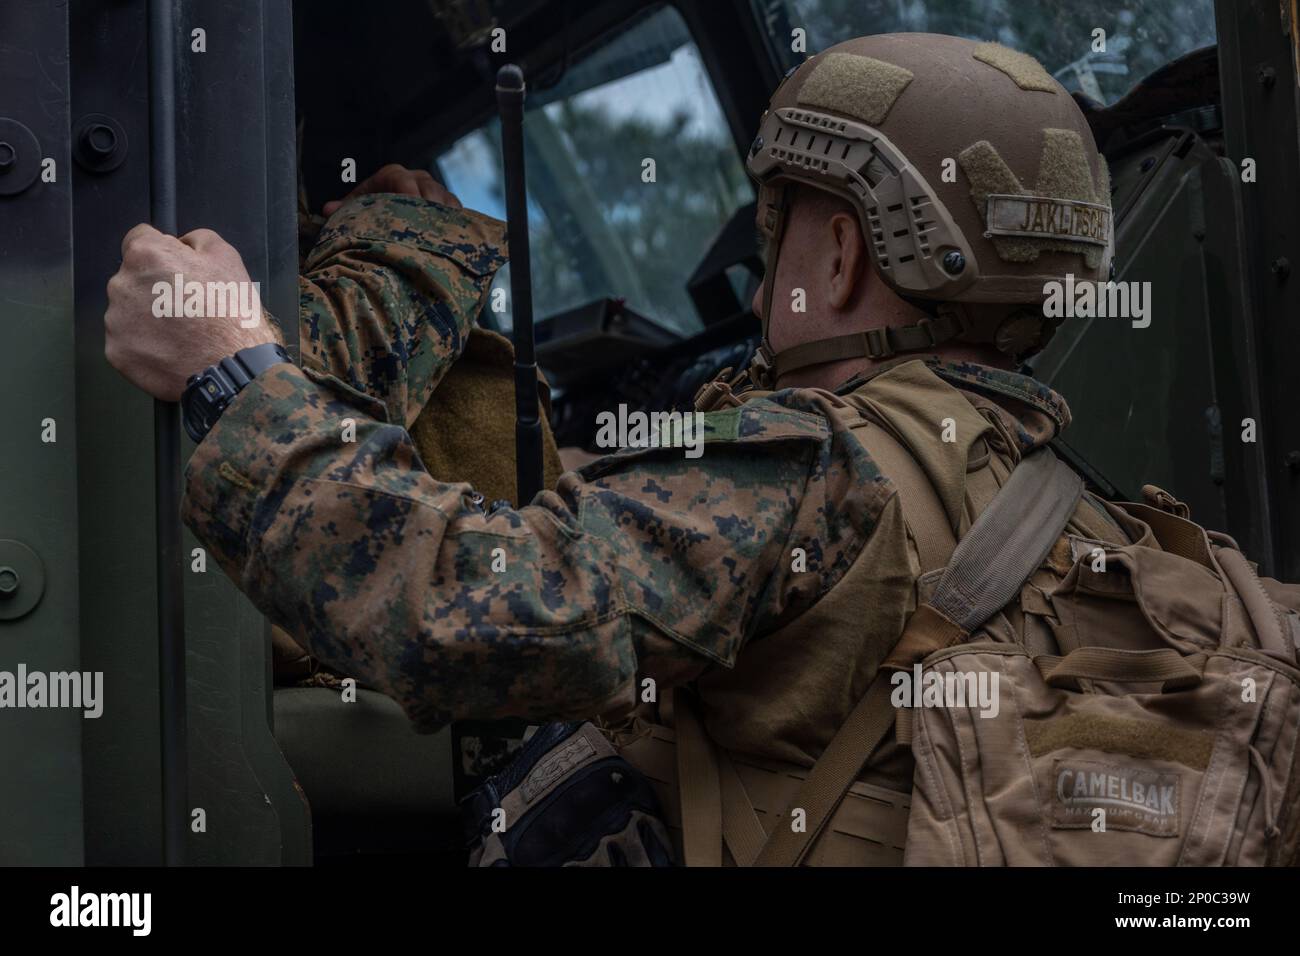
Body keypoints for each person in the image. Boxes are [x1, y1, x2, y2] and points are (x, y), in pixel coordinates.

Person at [102, 34, 1291, 866]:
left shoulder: (809, 466)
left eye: (781, 228)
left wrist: (231, 366)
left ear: (834, 258)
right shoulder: (1101, 511)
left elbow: (466, 613)